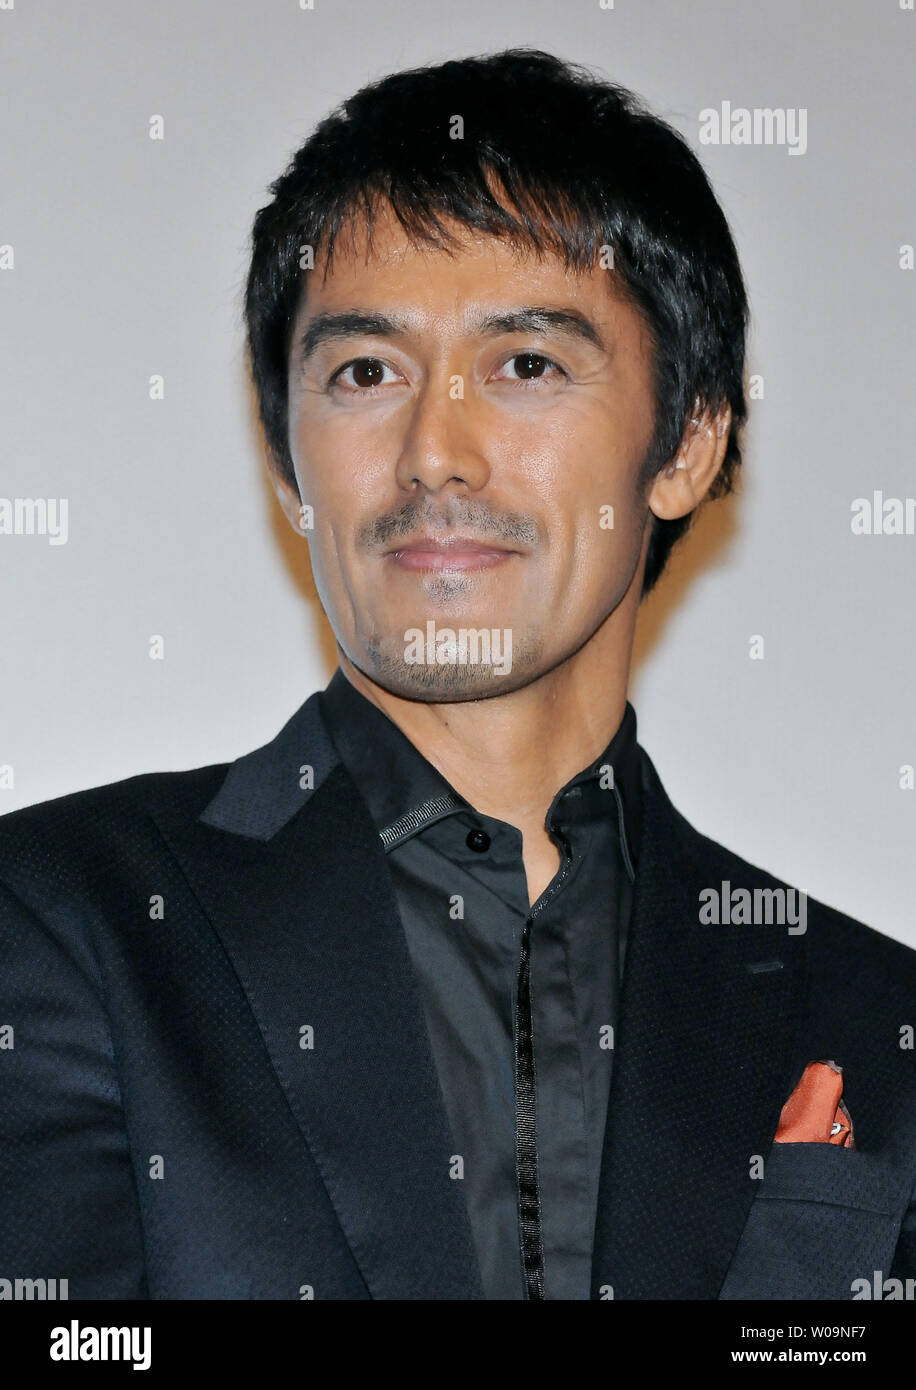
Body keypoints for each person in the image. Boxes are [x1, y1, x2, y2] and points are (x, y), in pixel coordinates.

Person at [2, 48, 914, 1302]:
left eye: (526, 365)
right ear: (286, 465)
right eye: (364, 373)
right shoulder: (61, 921)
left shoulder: (870, 1014)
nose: (435, 451)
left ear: (688, 443)